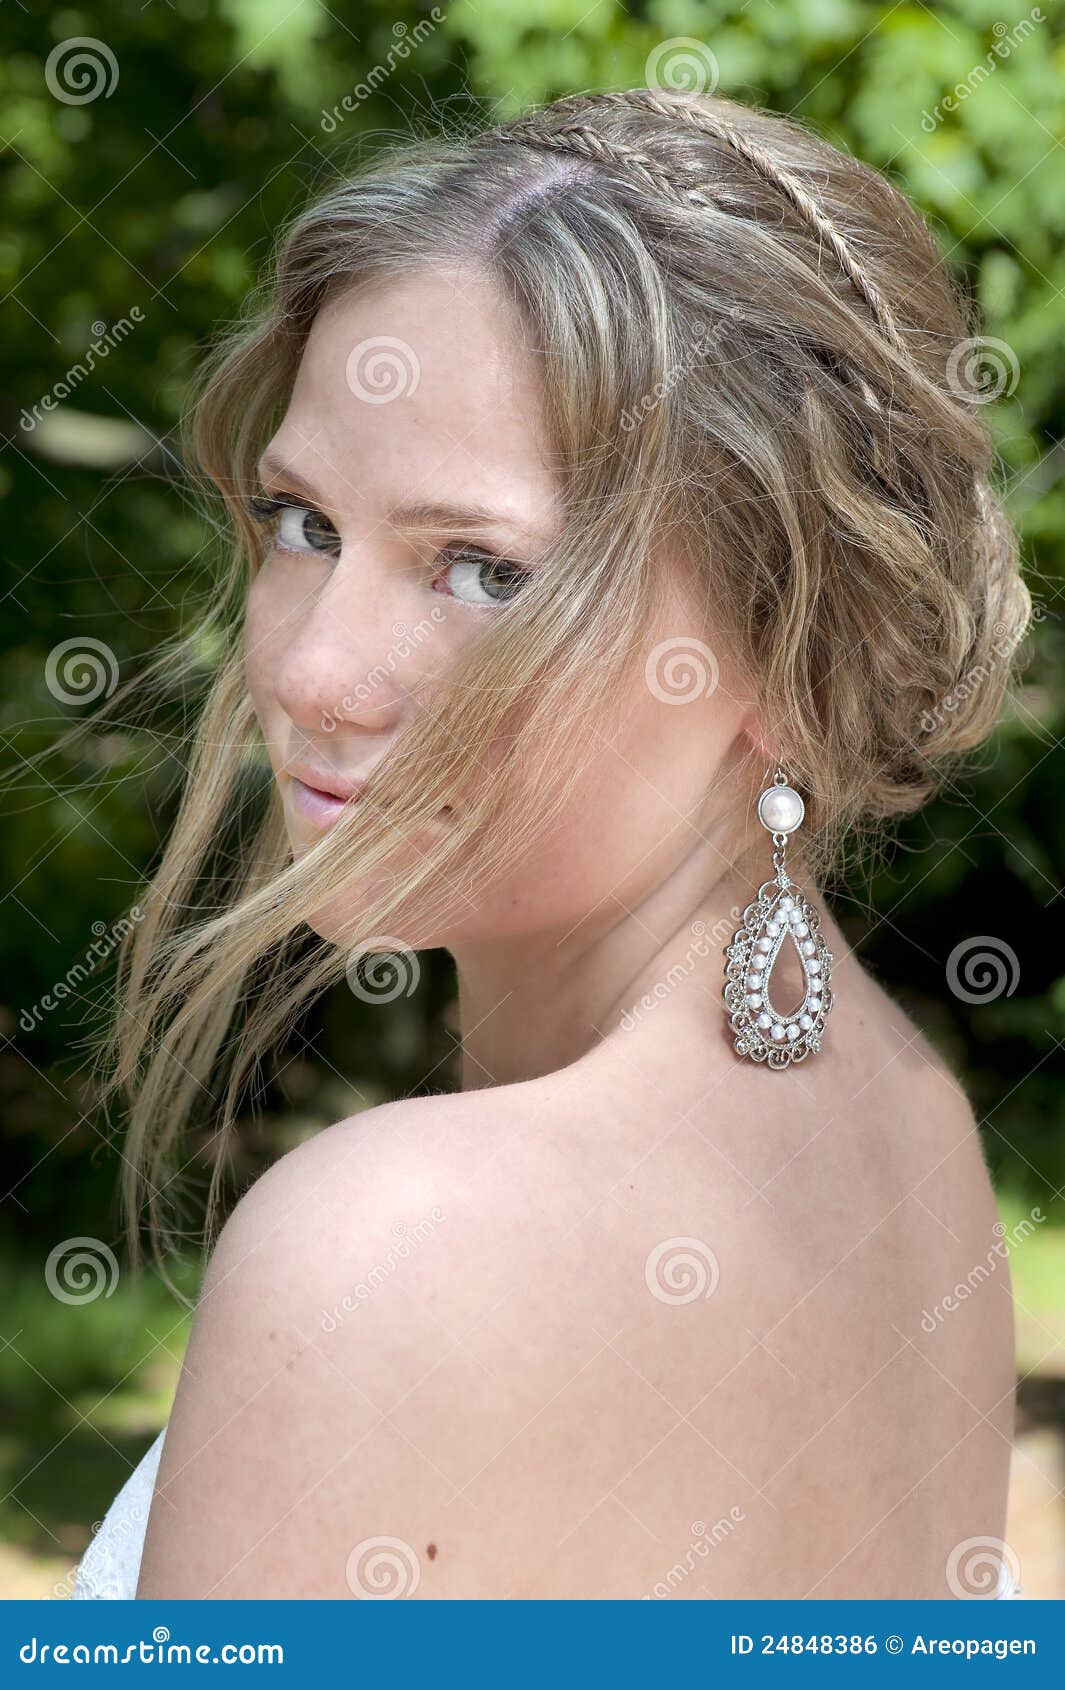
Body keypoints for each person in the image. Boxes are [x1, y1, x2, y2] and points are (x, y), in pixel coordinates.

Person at [75, 87, 1028, 1600]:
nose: (315, 673)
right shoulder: (912, 1133)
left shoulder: (385, 1245)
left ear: (796, 651)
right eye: (305, 523)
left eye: (483, 571)